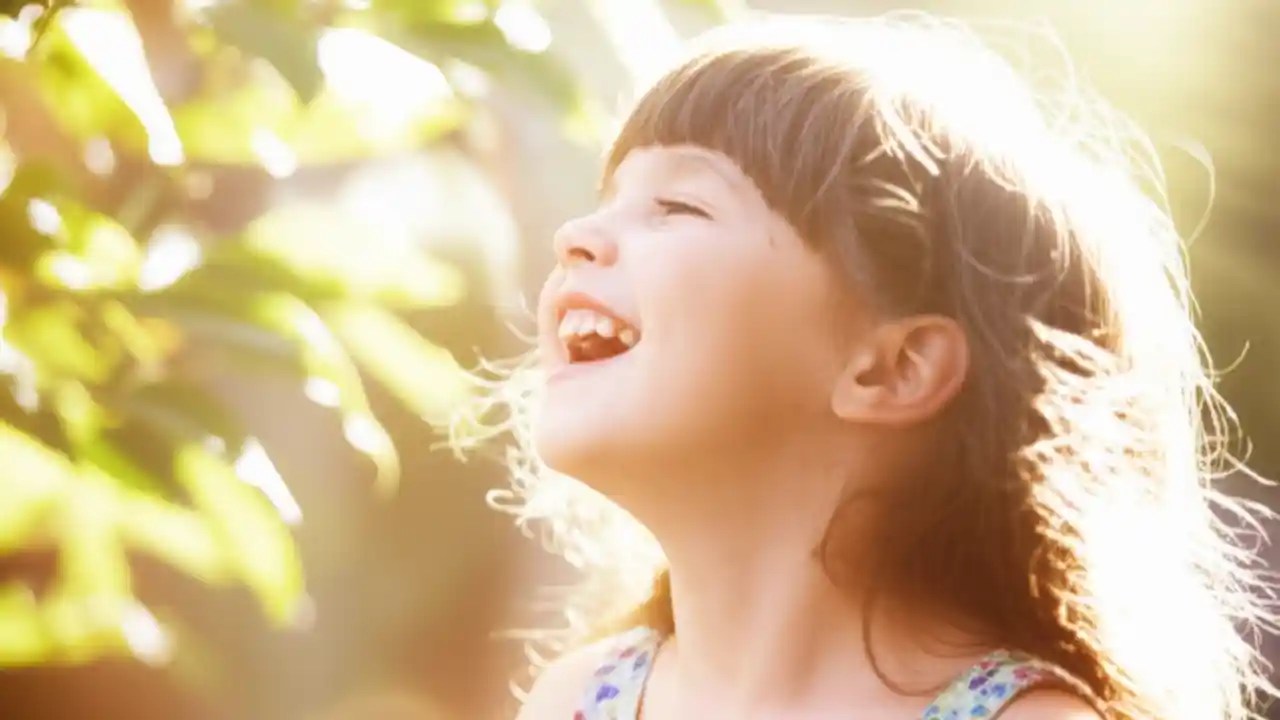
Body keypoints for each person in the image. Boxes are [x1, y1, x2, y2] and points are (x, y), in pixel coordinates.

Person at [463, 12, 1275, 720]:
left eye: (677, 206)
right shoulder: (577, 700)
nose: (576, 234)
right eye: (610, 200)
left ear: (893, 369)